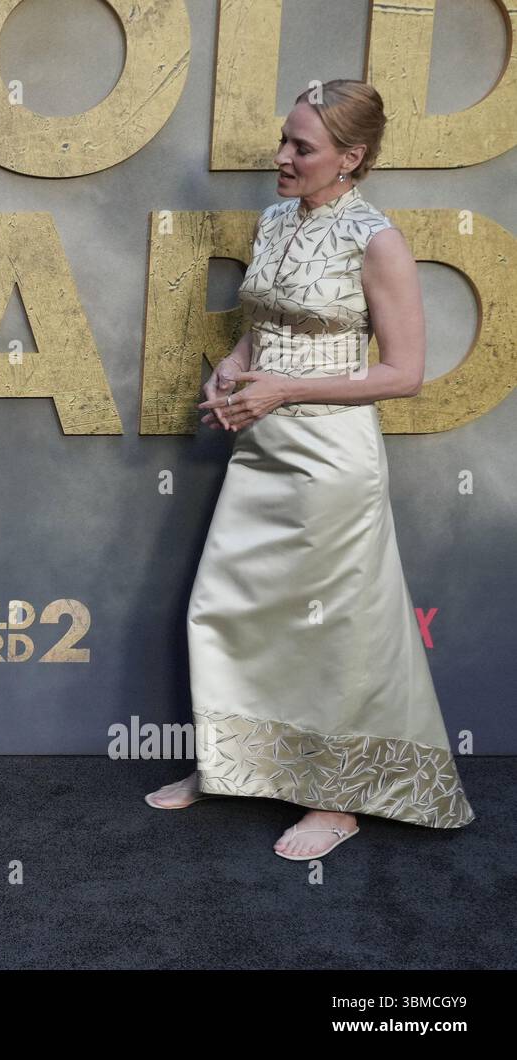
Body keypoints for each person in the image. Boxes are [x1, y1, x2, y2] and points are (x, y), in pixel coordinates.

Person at [145, 80, 474, 858]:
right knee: (227, 607)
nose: (281, 157)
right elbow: (258, 333)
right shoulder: (273, 220)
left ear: (350, 158)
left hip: (331, 459)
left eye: (302, 147)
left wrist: (286, 390)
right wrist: (228, 372)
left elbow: (405, 374)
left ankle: (336, 800)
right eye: (284, 139)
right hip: (260, 450)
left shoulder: (377, 241)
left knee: (333, 632)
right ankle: (230, 764)